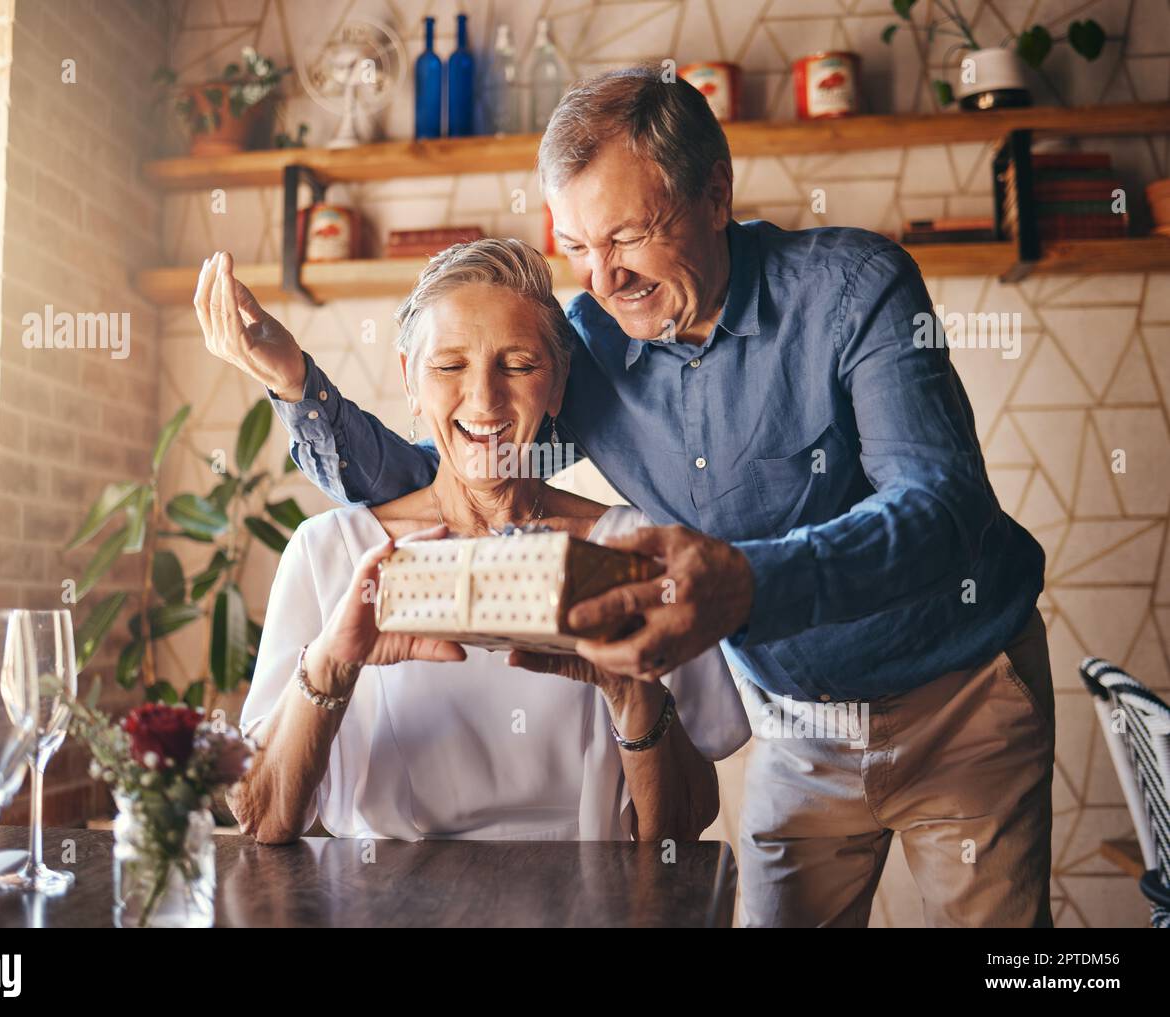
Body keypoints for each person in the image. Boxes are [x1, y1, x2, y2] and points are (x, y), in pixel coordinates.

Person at [199, 66, 1053, 928]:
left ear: (715, 193)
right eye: (576, 247)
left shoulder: (854, 288)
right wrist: (296, 382)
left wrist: (748, 583)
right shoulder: (593, 344)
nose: (604, 280)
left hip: (957, 692)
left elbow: (944, 506)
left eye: (629, 234)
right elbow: (464, 459)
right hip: (796, 723)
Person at [213, 238, 749, 844]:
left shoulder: (636, 550)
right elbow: (261, 816)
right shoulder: (327, 553)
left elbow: (685, 822)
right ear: (409, 381)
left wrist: (630, 691)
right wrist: (334, 662)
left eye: (518, 365)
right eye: (449, 366)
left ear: (557, 386)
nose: (484, 398)